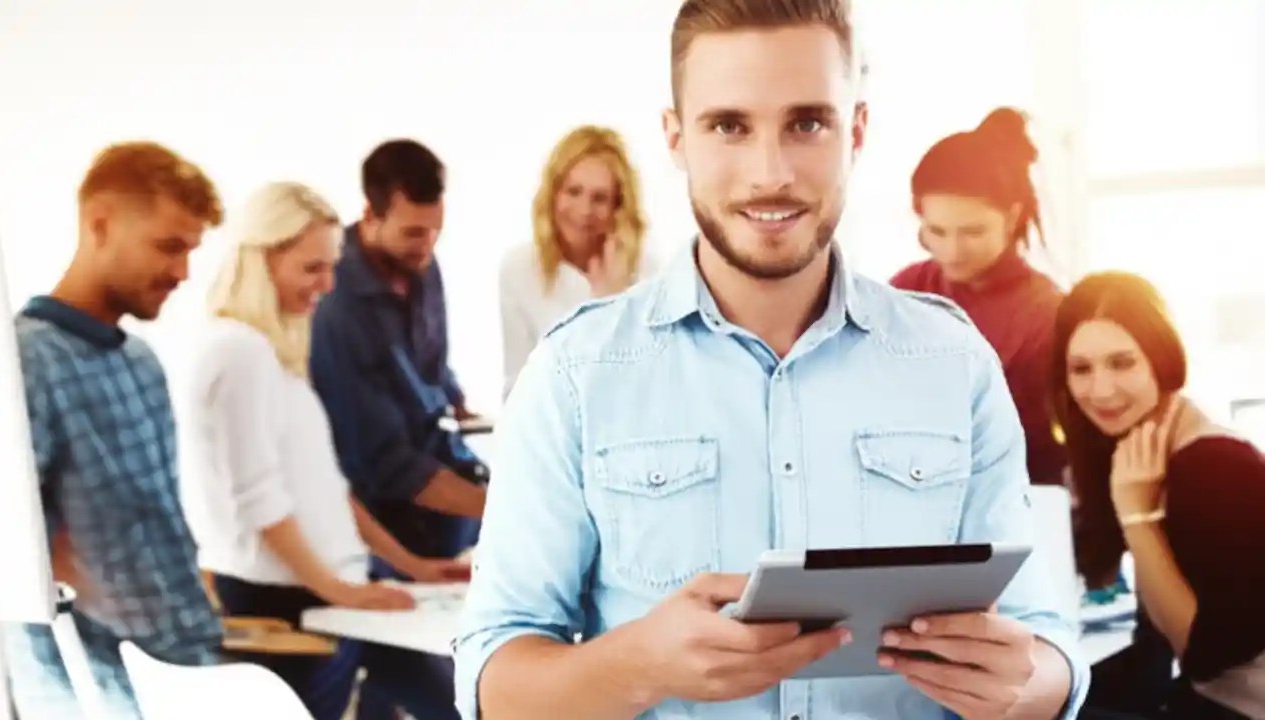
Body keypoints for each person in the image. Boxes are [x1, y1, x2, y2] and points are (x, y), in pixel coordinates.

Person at [453, 2, 1087, 719]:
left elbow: (1047, 652)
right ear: (676, 138)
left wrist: (1020, 685)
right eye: (729, 126)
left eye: (807, 123)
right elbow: (492, 688)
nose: (770, 172)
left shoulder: (954, 363)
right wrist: (638, 664)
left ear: (856, 131)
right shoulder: (573, 374)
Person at [177, 181, 471, 719]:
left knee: (460, 703)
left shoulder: (272, 353)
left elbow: (329, 490)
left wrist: (412, 566)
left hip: (336, 590)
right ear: (262, 258)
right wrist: (340, 592)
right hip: (289, 600)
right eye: (312, 268)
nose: (328, 285)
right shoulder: (237, 351)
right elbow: (260, 501)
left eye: (332, 266)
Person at [0, 142, 225, 718]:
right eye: (168, 247)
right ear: (100, 224)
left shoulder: (142, 362)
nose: (182, 273)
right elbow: (11, 551)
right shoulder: (23, 363)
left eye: (190, 251)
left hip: (184, 665)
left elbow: (156, 517)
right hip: (93, 689)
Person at [309, 139, 484, 719]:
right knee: (437, 685)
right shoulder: (337, 307)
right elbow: (385, 464)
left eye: (434, 231)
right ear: (370, 215)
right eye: (413, 232)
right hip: (384, 517)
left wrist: (458, 402)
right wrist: (502, 505)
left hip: (442, 497)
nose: (426, 245)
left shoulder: (422, 266)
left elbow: (433, 368)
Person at [1053, 272, 1265, 719]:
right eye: (1081, 369)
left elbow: (1204, 656)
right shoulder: (1136, 449)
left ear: (1160, 358)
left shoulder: (1218, 465)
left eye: (1122, 362)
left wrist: (1138, 516)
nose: (1101, 390)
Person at [890, 108, 1067, 487]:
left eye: (972, 232)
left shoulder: (1047, 313)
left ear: (1012, 216)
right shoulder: (906, 290)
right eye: (937, 231)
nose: (952, 251)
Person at [498, 125, 656, 397]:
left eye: (600, 198)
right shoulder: (519, 268)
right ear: (553, 193)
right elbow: (518, 384)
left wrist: (612, 298)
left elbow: (643, 380)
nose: (585, 210)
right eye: (573, 192)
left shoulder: (647, 272)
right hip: (548, 417)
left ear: (618, 206)